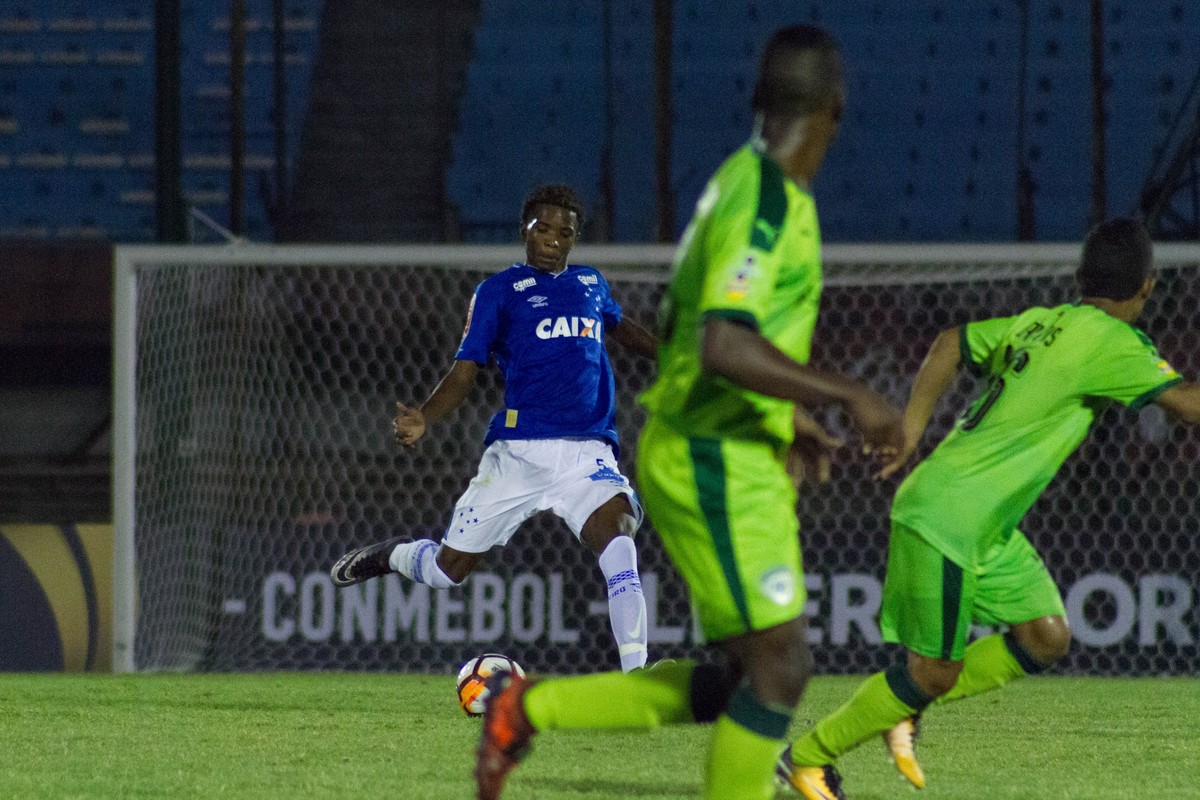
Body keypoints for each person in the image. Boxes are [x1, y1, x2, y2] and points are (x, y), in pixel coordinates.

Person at [472, 25, 903, 800]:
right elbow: (721, 343)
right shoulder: (766, 201)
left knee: (743, 677)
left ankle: (525, 708)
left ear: (756, 100)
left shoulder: (743, 182)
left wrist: (784, 415)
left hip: (727, 440)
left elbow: (684, 327)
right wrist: (847, 395)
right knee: (780, 666)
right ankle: (528, 710)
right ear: (837, 107)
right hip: (710, 452)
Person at [776, 217, 1200, 799]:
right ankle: (807, 759)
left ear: (1081, 276)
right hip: (951, 516)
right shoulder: (1114, 343)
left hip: (981, 522)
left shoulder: (1039, 323)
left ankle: (907, 705)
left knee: (1046, 635)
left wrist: (911, 428)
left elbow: (951, 341)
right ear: (1147, 286)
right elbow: (1191, 408)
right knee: (933, 669)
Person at [330, 183, 659, 674]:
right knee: (447, 572)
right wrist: (425, 416)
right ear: (524, 231)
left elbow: (621, 327)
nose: (552, 239)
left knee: (621, 548)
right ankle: (390, 555)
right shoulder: (499, 291)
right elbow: (466, 370)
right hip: (518, 454)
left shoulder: (591, 284)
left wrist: (676, 357)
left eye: (563, 233)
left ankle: (638, 678)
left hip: (587, 454)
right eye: (542, 229)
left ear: (574, 240)